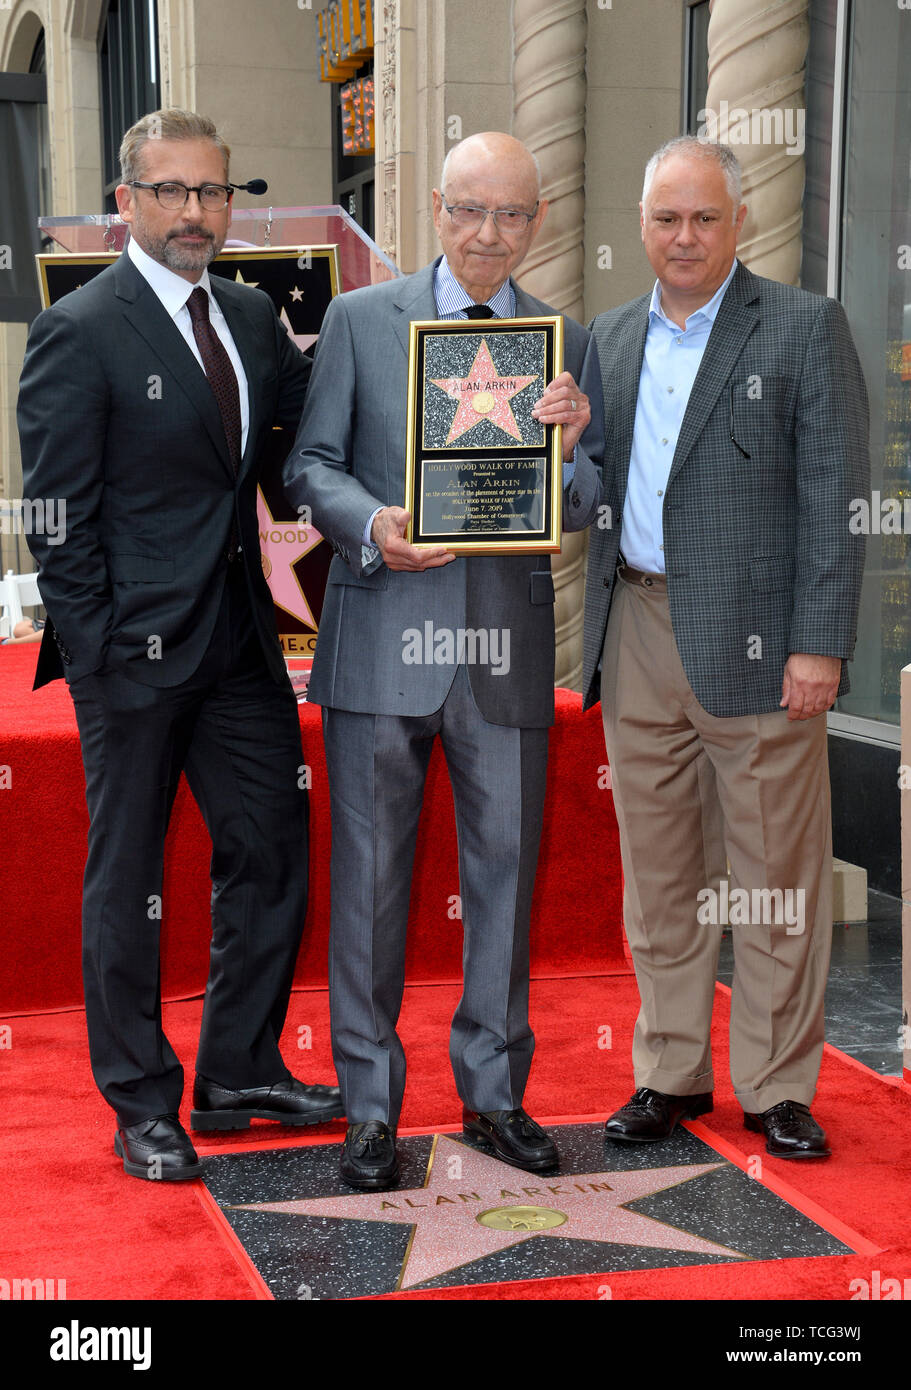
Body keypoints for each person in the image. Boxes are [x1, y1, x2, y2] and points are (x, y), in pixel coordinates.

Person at [17, 108, 342, 1183]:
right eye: (171, 191)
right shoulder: (83, 327)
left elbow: (313, 435)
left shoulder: (251, 318)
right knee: (128, 875)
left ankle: (238, 1070)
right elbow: (55, 511)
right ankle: (140, 1101)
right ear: (126, 204)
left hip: (241, 644)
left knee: (272, 846)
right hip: (132, 657)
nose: (196, 211)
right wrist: (99, 651)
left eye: (213, 191)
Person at [283, 132, 603, 1190]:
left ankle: (495, 1094)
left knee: (503, 885)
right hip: (381, 642)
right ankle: (368, 1107)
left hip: (504, 653)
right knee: (368, 888)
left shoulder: (557, 336)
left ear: (537, 221)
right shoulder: (358, 319)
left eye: (510, 215)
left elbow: (585, 494)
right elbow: (309, 466)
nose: (486, 234)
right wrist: (372, 523)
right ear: (434, 207)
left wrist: (565, 450)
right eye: (469, 209)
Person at [582, 136, 869, 1159]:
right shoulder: (603, 341)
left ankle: (776, 1085)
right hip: (637, 628)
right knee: (656, 878)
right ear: (642, 224)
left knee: (773, 879)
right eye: (665, 218)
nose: (684, 236)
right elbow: (588, 491)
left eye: (703, 217)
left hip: (760, 649)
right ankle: (667, 1072)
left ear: (737, 222)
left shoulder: (800, 328)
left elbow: (832, 501)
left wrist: (818, 645)